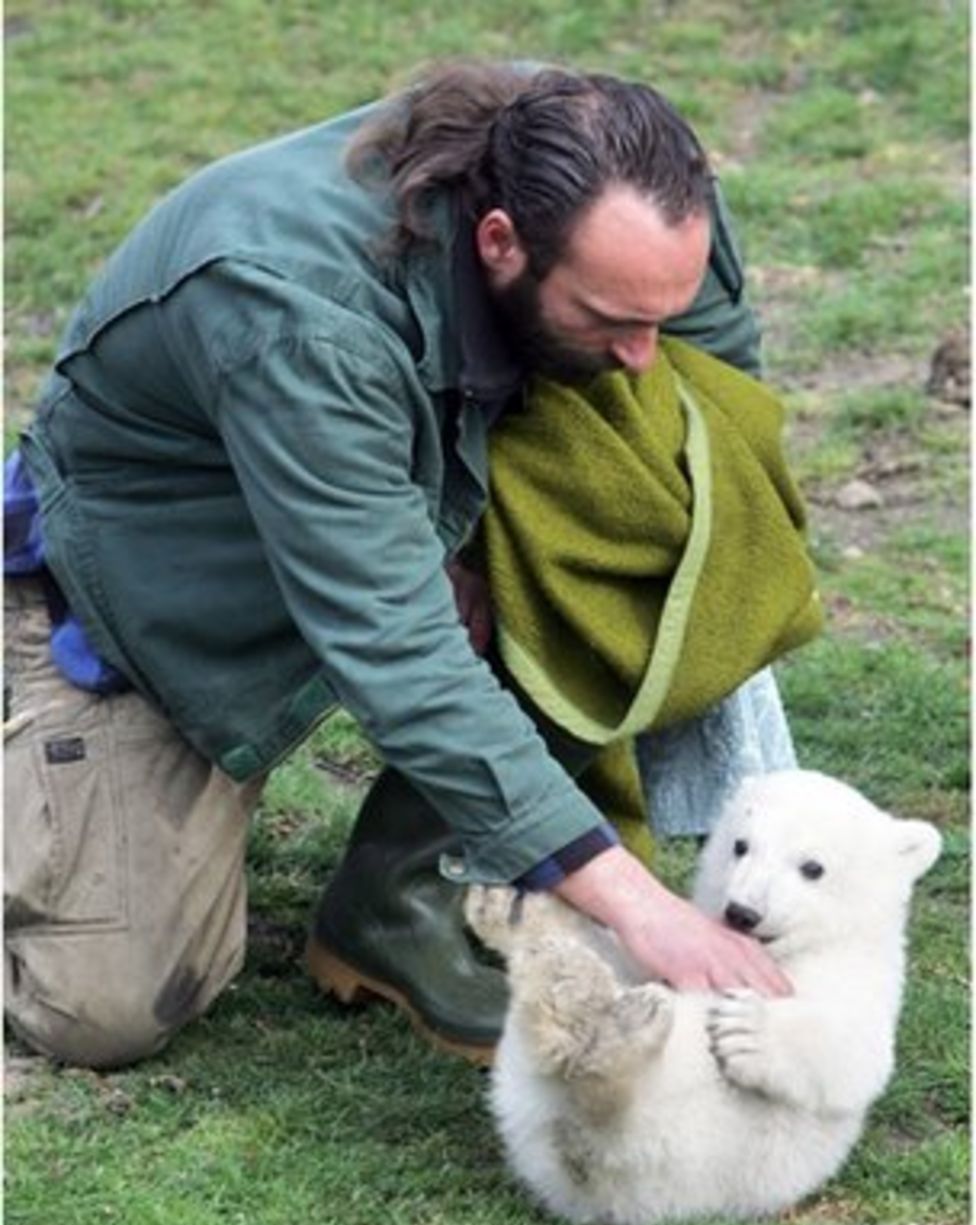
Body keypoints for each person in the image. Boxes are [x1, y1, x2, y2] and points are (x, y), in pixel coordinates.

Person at [4, 59, 792, 1071]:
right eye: (610, 319)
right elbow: (392, 643)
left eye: (659, 311)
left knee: (649, 502)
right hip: (158, 600)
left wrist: (703, 540)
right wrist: (644, 912)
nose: (645, 354)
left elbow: (716, 389)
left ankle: (402, 895)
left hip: (388, 494)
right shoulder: (296, 313)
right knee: (106, 1007)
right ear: (500, 242)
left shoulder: (627, 174)